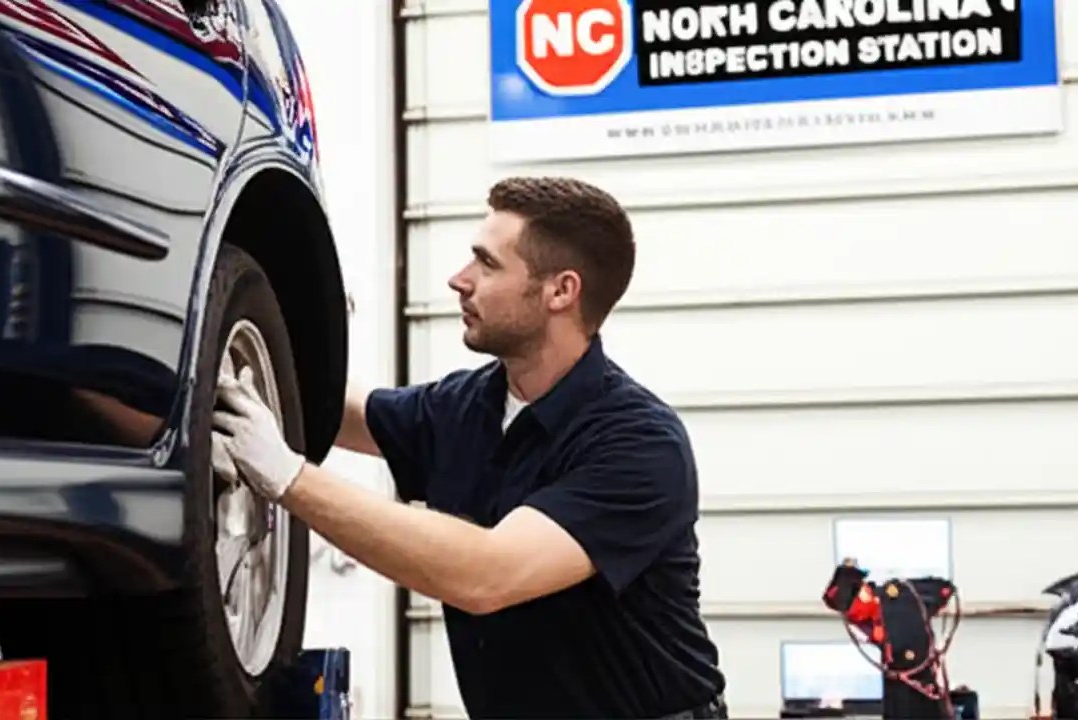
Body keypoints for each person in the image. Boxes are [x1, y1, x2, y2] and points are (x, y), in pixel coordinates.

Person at [212, 176, 727, 719]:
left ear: (561, 291)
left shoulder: (639, 444)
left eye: (487, 263)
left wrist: (285, 475)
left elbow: (487, 574)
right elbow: (342, 412)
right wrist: (220, 378)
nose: (460, 280)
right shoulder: (468, 406)